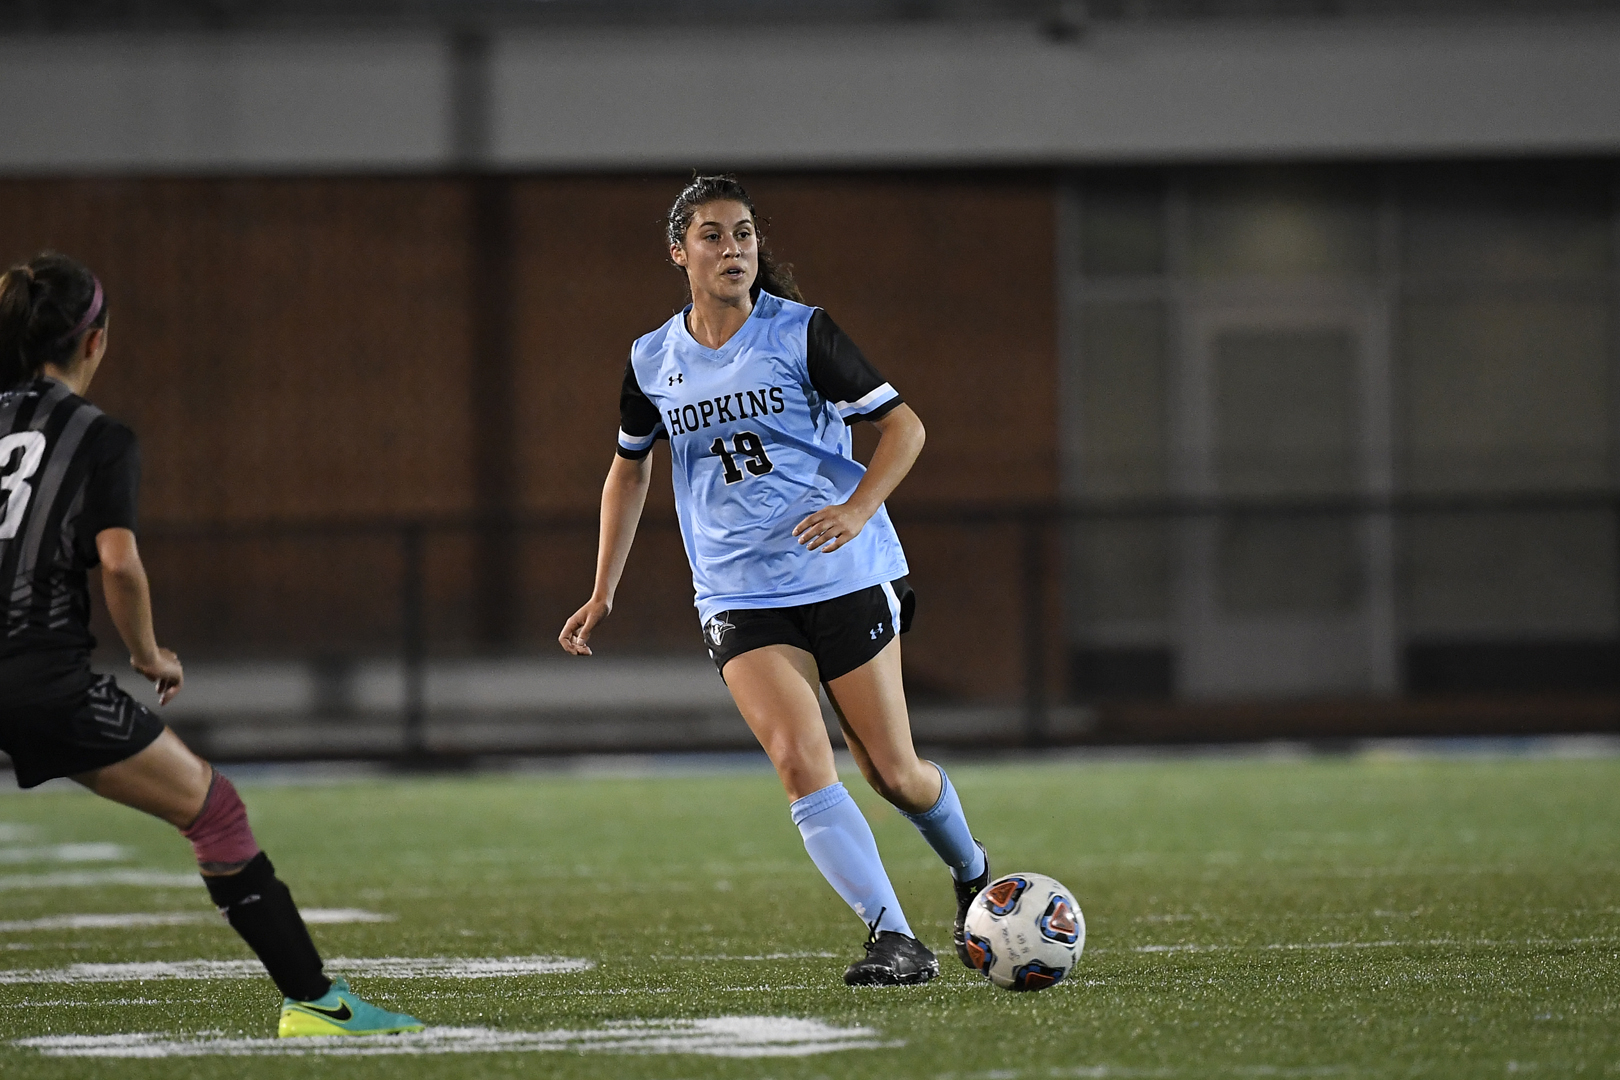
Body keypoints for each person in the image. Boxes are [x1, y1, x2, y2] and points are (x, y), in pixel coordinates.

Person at [560, 176, 992, 986]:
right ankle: (895, 937)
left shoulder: (802, 333)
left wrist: (858, 509)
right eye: (714, 235)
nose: (733, 249)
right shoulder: (652, 358)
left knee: (893, 773)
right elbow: (630, 469)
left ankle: (972, 870)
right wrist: (603, 589)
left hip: (841, 574)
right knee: (798, 760)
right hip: (738, 593)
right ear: (678, 252)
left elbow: (905, 427)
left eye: (745, 234)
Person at [0, 253, 423, 1038]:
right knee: (214, 811)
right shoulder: (98, 437)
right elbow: (118, 563)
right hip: (40, 678)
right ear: (94, 341)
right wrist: (148, 654)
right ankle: (315, 1003)